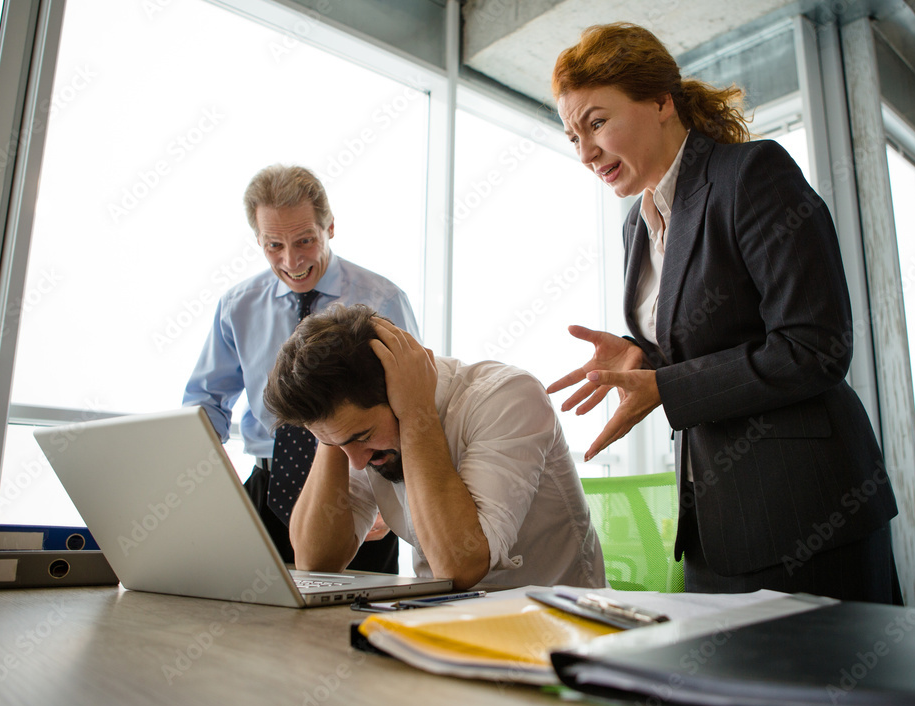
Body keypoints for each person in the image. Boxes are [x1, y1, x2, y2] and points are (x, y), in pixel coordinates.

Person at [547, 22, 900, 603]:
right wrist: (644, 355)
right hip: (715, 522)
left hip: (806, 515)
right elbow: (707, 346)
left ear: (661, 101)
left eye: (597, 123)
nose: (585, 152)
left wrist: (665, 384)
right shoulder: (640, 220)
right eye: (571, 136)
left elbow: (815, 346)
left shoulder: (751, 176)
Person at [263, 304, 606, 591]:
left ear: (395, 390)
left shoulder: (508, 397)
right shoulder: (353, 433)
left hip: (557, 628)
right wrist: (331, 438)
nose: (355, 462)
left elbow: (460, 569)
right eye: (337, 443)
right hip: (440, 623)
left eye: (362, 436)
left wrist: (416, 411)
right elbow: (314, 563)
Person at [183, 164, 420, 573]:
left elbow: (414, 401)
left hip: (359, 487)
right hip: (266, 490)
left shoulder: (382, 298)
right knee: (253, 624)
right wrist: (206, 474)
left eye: (305, 240)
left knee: (356, 624)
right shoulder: (237, 306)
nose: (291, 261)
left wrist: (394, 495)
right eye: (273, 245)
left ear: (330, 227)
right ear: (257, 240)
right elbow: (206, 401)